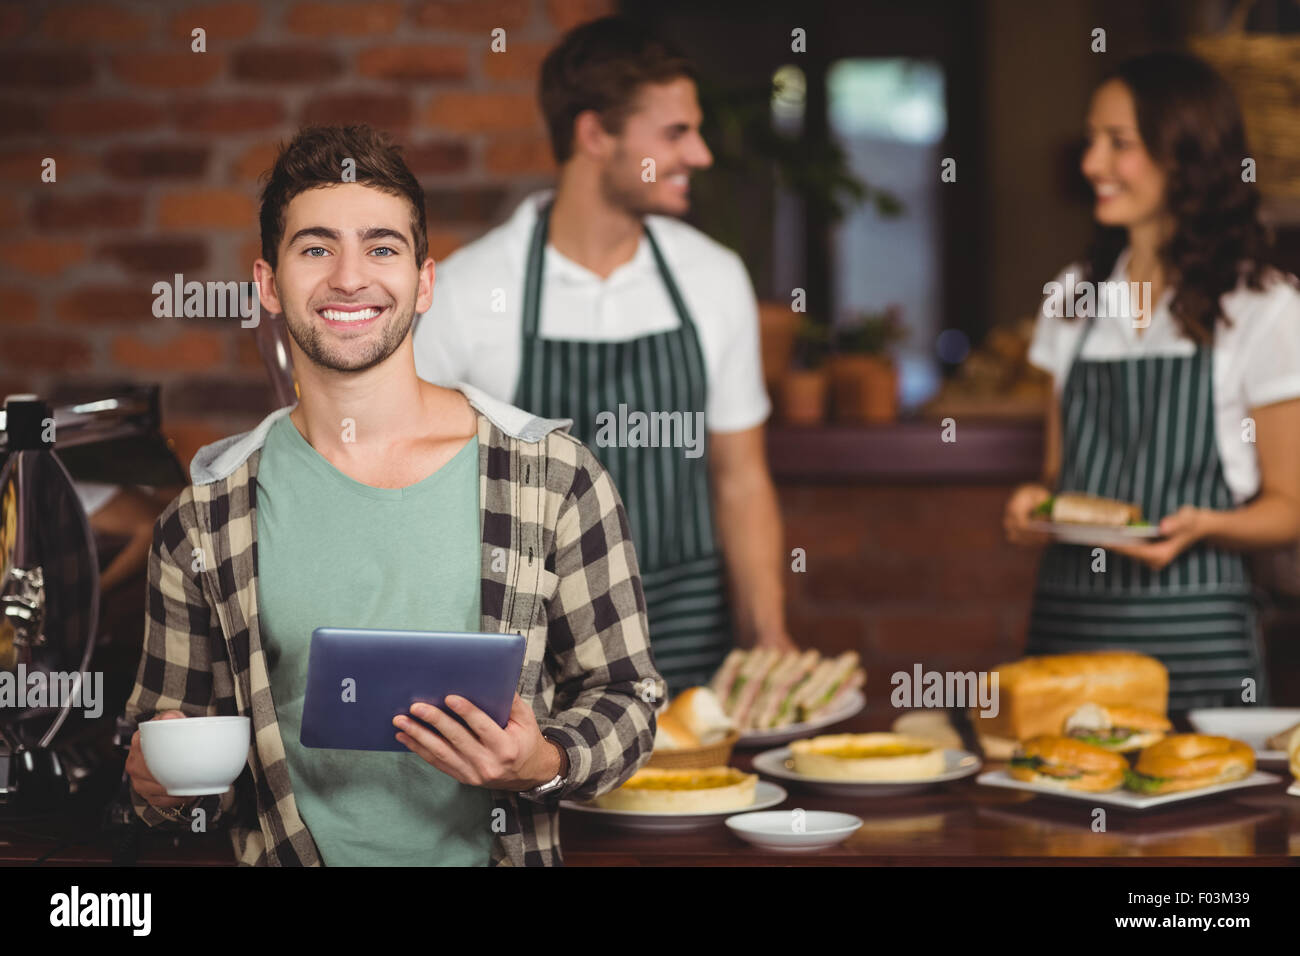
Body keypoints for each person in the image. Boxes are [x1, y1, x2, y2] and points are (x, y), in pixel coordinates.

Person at [123, 124, 660, 866]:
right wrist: (159, 787)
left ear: (425, 281)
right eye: (316, 248)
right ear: (268, 286)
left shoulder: (555, 480)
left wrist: (544, 760)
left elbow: (627, 696)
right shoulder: (204, 521)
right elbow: (172, 758)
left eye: (381, 247)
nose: (350, 277)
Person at [414, 16, 795, 695]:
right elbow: (412, 495)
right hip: (531, 669)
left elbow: (740, 480)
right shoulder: (470, 292)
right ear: (595, 135)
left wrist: (768, 639)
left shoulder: (713, 278)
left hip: (688, 654)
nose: (701, 155)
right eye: (676, 133)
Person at [1004, 53, 1300, 710]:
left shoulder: (1262, 305)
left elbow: (1290, 506)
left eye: (1119, 143)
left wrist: (1207, 526)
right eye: (1091, 142)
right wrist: (1034, 505)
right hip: (1068, 646)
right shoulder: (1072, 296)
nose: (1090, 165)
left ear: (1185, 156)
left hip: (1197, 647)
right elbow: (1060, 480)